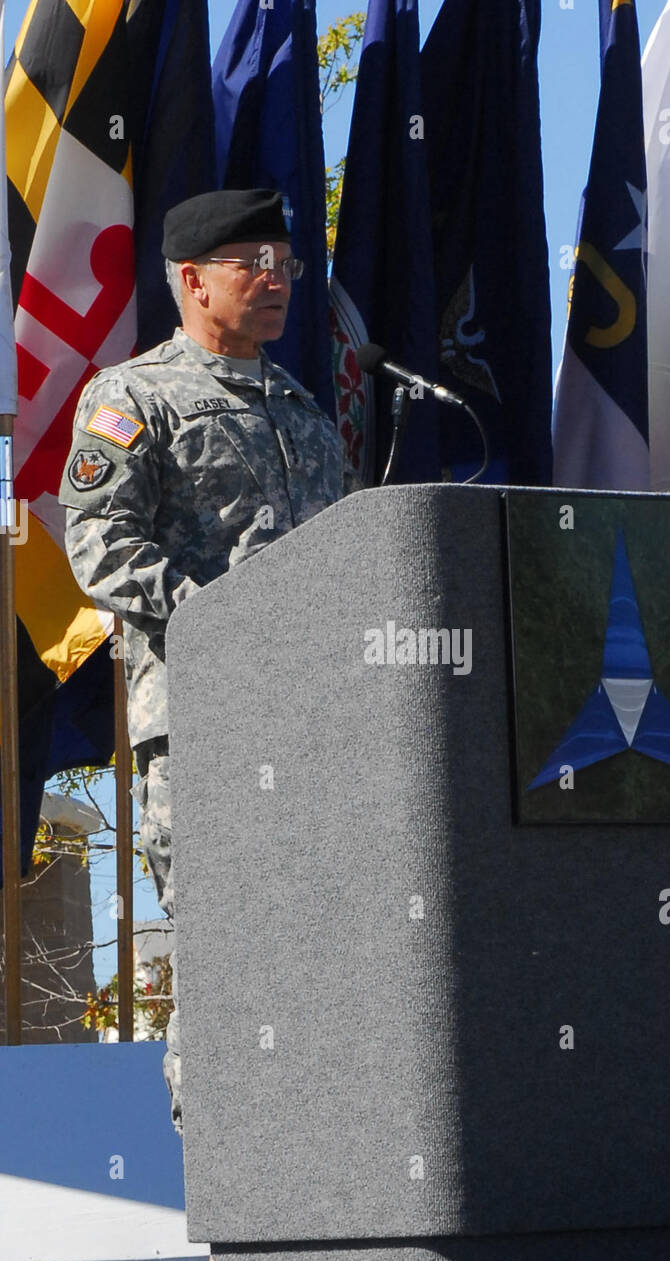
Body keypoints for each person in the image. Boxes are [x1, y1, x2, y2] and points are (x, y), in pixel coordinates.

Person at [59, 188, 361, 1135]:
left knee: (327, 953)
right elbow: (99, 546)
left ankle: (328, 1175)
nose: (277, 281)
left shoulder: (304, 409)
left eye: (285, 265)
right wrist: (225, 619)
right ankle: (232, 1203)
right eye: (253, 264)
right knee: (228, 950)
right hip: (206, 723)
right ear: (190, 279)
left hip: (319, 722)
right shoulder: (131, 395)